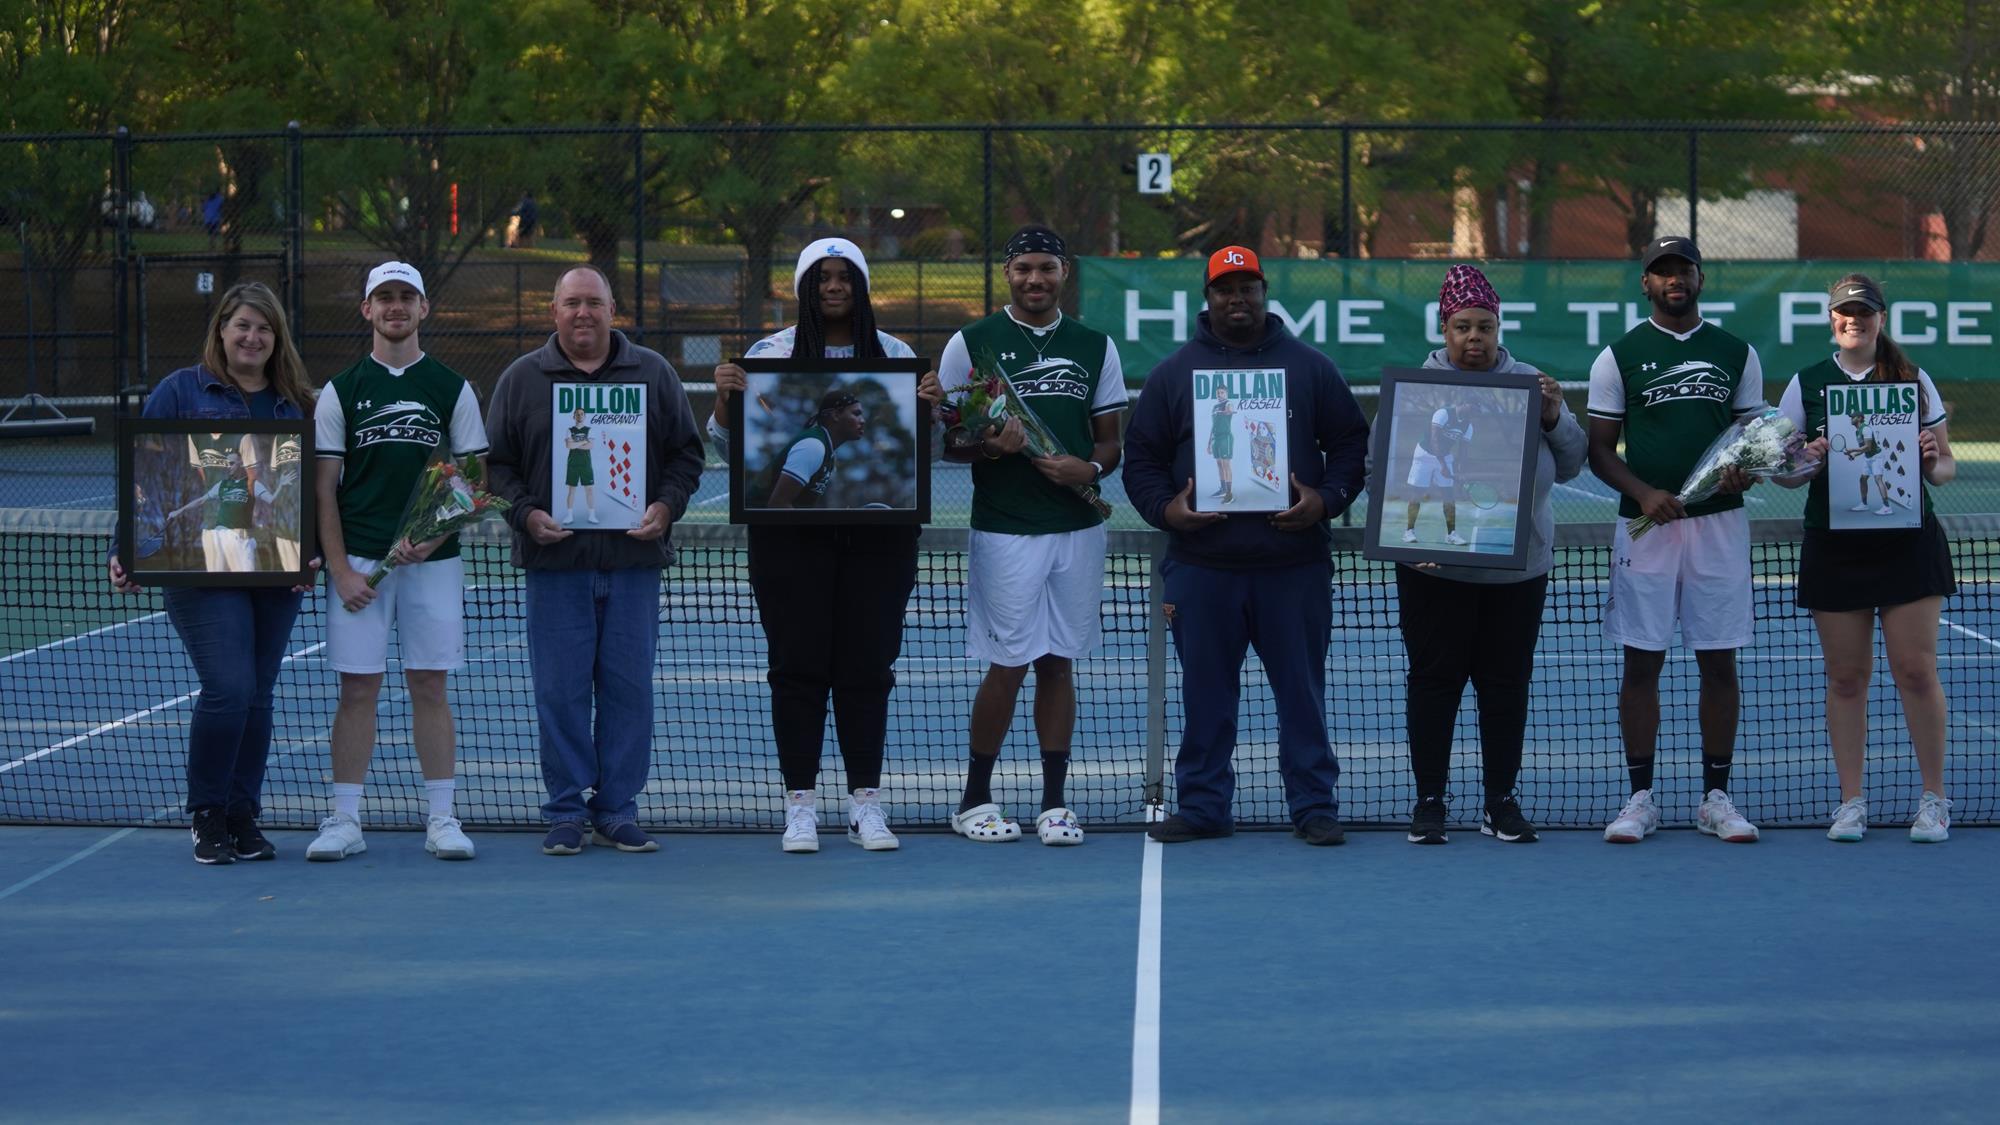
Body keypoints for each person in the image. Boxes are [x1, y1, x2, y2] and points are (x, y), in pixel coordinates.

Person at [1123, 246, 1368, 845]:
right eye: (1225, 289)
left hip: (1294, 567)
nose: (1238, 299)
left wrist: (1325, 499)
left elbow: (1350, 446)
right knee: (1206, 698)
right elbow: (1142, 462)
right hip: (1201, 569)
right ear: (1207, 298)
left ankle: (1314, 806)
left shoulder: (1310, 367)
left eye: (1248, 287)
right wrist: (1167, 510)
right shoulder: (1173, 373)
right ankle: (1204, 807)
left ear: (1264, 292)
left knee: (1303, 697)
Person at [710, 237, 931, 853]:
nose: (834, 287)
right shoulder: (767, 354)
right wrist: (726, 403)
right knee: (797, 670)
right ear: (805, 287)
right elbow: (726, 452)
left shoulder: (895, 354)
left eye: (846, 277)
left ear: (861, 287)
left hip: (877, 547)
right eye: (822, 277)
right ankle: (800, 806)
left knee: (867, 669)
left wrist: (931, 416)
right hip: (790, 550)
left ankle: (866, 804)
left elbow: (922, 456)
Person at [487, 265, 705, 856]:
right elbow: (497, 467)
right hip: (555, 567)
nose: (582, 313)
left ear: (614, 310)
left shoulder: (654, 374)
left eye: (594, 303)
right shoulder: (521, 379)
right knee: (559, 692)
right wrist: (527, 513)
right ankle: (564, 811)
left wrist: (665, 506)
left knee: (628, 691)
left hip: (633, 565)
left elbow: (687, 456)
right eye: (571, 303)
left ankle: (616, 809)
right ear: (553, 311)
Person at [920, 224, 1125, 846]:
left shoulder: (1095, 346)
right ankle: (975, 799)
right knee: (1007, 665)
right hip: (1007, 531)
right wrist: (989, 445)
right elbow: (948, 444)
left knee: (1058, 663)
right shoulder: (971, 342)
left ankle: (1054, 803)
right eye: (1023, 269)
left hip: (1077, 530)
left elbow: (1111, 442)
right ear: (1007, 274)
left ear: (1066, 273)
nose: (1035, 279)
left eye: (1047, 268)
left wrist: (1086, 469)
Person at [107, 281, 318, 864]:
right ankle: (207, 814)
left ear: (277, 339)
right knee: (230, 688)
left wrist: (313, 552)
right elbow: (145, 479)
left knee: (258, 696)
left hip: (275, 571)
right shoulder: (179, 391)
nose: (252, 337)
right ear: (221, 330)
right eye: (242, 326)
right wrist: (128, 548)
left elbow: (313, 492)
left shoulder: (297, 402)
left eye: (264, 328)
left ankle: (242, 815)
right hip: (200, 567)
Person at [1587, 236, 1766, 844]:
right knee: (1642, 660)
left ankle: (1716, 796)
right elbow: (1599, 452)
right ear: (1645, 283)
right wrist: (1642, 494)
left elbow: (1752, 439)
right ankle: (1640, 798)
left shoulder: (1735, 353)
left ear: (1700, 278)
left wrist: (1746, 468)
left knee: (1719, 660)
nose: (1673, 280)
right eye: (1662, 272)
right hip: (1646, 528)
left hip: (1719, 525)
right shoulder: (1619, 356)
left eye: (1683, 270)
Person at [1398, 265, 1586, 844]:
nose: (1474, 338)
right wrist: (1413, 538)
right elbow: (1383, 471)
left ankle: (1500, 801)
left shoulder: (1532, 384)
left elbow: (1575, 459)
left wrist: (1554, 414)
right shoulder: (1416, 389)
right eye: (1462, 327)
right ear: (1444, 329)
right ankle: (1430, 800)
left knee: (1506, 685)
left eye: (1484, 326)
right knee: (1435, 681)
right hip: (1435, 569)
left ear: (1499, 328)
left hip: (1517, 569)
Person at [308, 261, 488, 862]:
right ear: (366, 309)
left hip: (433, 565)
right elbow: (324, 490)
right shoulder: (339, 391)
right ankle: (344, 820)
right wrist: (341, 571)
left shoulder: (453, 387)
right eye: (383, 297)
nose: (395, 307)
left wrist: (432, 538)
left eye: (406, 297)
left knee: (429, 685)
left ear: (423, 308)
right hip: (358, 563)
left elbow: (475, 480)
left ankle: (442, 819)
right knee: (357, 689)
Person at [1775, 274, 1957, 842]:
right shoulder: (1806, 385)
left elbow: (1945, 468)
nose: (1853, 319)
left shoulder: (1911, 378)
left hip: (1906, 543)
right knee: (1847, 678)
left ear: (1881, 317)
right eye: (1843, 312)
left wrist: (1931, 459)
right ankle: (1851, 801)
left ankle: (1934, 800)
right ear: (1832, 319)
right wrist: (1805, 458)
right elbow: (1784, 476)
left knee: (1915, 670)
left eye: (1864, 311)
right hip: (1834, 547)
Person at [762, 389, 867, 509]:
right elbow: (778, 505)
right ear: (836, 415)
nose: (863, 421)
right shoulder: (813, 446)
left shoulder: (827, 450)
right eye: (856, 414)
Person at [1402, 398, 1474, 546]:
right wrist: (1443, 465)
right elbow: (1434, 439)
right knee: (1418, 493)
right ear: (1464, 403)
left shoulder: (1468, 425)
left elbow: (1463, 451)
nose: (1475, 411)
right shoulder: (1443, 413)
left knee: (1448, 496)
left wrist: (1461, 471)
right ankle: (1408, 531)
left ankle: (1451, 534)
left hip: (1446, 456)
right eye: (1474, 406)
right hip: (1424, 454)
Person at [562, 406, 598, 523]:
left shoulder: (589, 429)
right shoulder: (569, 430)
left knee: (589, 490)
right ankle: (569, 515)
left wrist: (575, 442)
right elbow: (569, 446)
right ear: (574, 416)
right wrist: (583, 441)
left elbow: (590, 446)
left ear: (585, 416)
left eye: (582, 414)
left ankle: (592, 515)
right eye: (577, 414)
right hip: (573, 464)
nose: (579, 416)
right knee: (571, 490)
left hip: (586, 464)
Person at [1208, 382, 1235, 503]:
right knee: (1219, 463)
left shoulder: (1228, 403)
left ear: (1226, 393)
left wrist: (1225, 412)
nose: (1220, 394)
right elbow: (1213, 425)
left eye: (1222, 392)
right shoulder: (1215, 407)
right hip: (1216, 438)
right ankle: (1223, 489)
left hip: (1226, 437)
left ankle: (1229, 494)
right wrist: (1209, 443)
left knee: (1226, 464)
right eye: (1218, 392)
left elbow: (1230, 410)